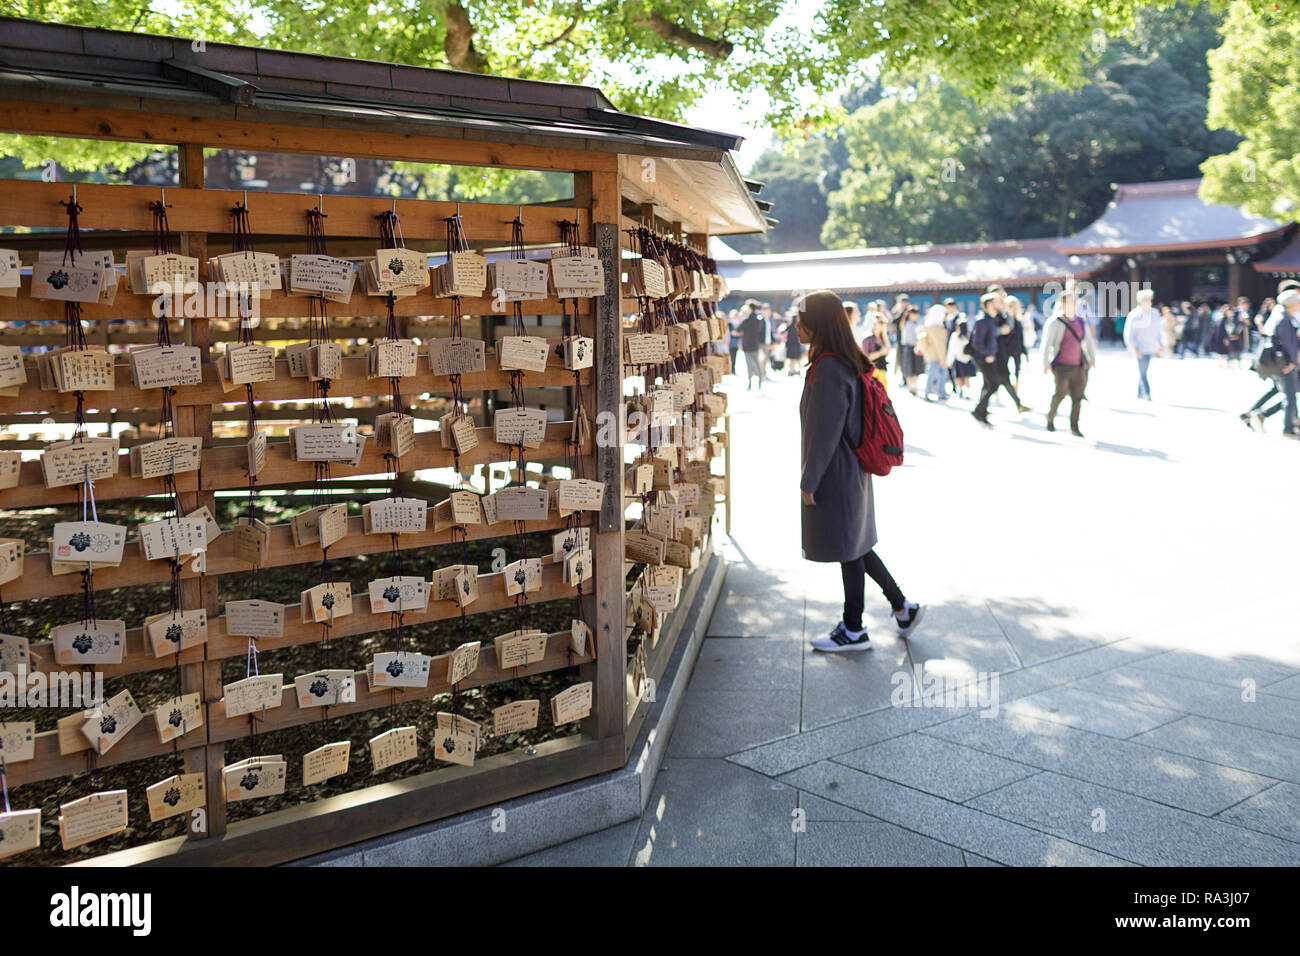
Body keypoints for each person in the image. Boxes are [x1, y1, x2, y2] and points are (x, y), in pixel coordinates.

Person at [796, 290, 923, 651]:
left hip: (836, 471)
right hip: (851, 468)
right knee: (855, 544)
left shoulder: (829, 367)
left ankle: (855, 629)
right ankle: (901, 608)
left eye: (801, 319)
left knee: (851, 547)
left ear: (817, 323)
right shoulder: (841, 360)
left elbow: (825, 431)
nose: (796, 326)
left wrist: (810, 480)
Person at [1041, 286, 1096, 437]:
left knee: (1078, 397)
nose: (1074, 304)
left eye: (1075, 301)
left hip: (1078, 365)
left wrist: (1092, 358)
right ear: (1063, 304)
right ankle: (1050, 418)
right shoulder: (1055, 322)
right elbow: (1046, 343)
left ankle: (1074, 425)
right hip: (1061, 365)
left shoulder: (1080, 321)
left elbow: (1088, 341)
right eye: (1071, 302)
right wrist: (1045, 362)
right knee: (1060, 394)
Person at [971, 291, 1029, 424]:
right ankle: (979, 411)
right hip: (984, 358)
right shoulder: (982, 321)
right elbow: (976, 343)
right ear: (990, 304)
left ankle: (981, 411)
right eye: (997, 302)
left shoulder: (992, 320)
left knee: (991, 384)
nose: (1001, 304)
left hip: (991, 357)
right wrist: (987, 355)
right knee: (993, 384)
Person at [1123, 288, 1164, 400]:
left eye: (1149, 300)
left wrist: (1161, 345)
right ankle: (1147, 393)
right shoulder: (1134, 315)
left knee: (1144, 371)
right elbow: (1128, 334)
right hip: (1139, 349)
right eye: (1146, 300)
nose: (1148, 302)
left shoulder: (1155, 313)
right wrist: (1134, 349)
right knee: (1143, 371)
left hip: (1152, 347)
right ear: (1140, 301)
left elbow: (1159, 331)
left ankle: (1139, 393)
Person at [915, 304, 950, 400]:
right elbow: (940, 346)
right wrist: (943, 360)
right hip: (937, 356)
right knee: (937, 375)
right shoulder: (937, 328)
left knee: (932, 375)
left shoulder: (927, 325)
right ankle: (935, 393)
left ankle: (931, 393)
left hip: (929, 355)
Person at [944, 297, 976, 398]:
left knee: (960, 376)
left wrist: (949, 361)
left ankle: (960, 392)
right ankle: (963, 392)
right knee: (965, 376)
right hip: (966, 357)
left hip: (958, 356)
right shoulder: (968, 334)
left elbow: (952, 348)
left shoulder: (956, 333)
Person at [740, 305, 767, 391]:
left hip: (747, 344)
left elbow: (738, 329)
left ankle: (750, 384)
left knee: (749, 364)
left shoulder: (747, 320)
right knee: (757, 363)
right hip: (755, 344)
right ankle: (760, 382)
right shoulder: (759, 320)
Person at [861, 313, 890, 390]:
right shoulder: (868, 339)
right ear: (874, 324)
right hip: (873, 372)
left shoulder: (883, 338)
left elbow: (887, 351)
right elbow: (866, 357)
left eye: (884, 323)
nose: (883, 325)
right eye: (881, 322)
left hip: (882, 371)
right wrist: (880, 352)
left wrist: (884, 334)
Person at [899, 304, 922, 393]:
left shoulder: (914, 323)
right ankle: (912, 387)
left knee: (915, 369)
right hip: (909, 348)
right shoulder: (908, 324)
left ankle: (913, 386)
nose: (916, 316)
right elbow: (911, 339)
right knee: (910, 369)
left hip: (914, 348)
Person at [782, 308, 804, 375]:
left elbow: (782, 332)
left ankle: (792, 370)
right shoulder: (799, 326)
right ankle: (797, 370)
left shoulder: (790, 326)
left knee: (792, 359)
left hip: (791, 344)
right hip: (797, 344)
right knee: (797, 358)